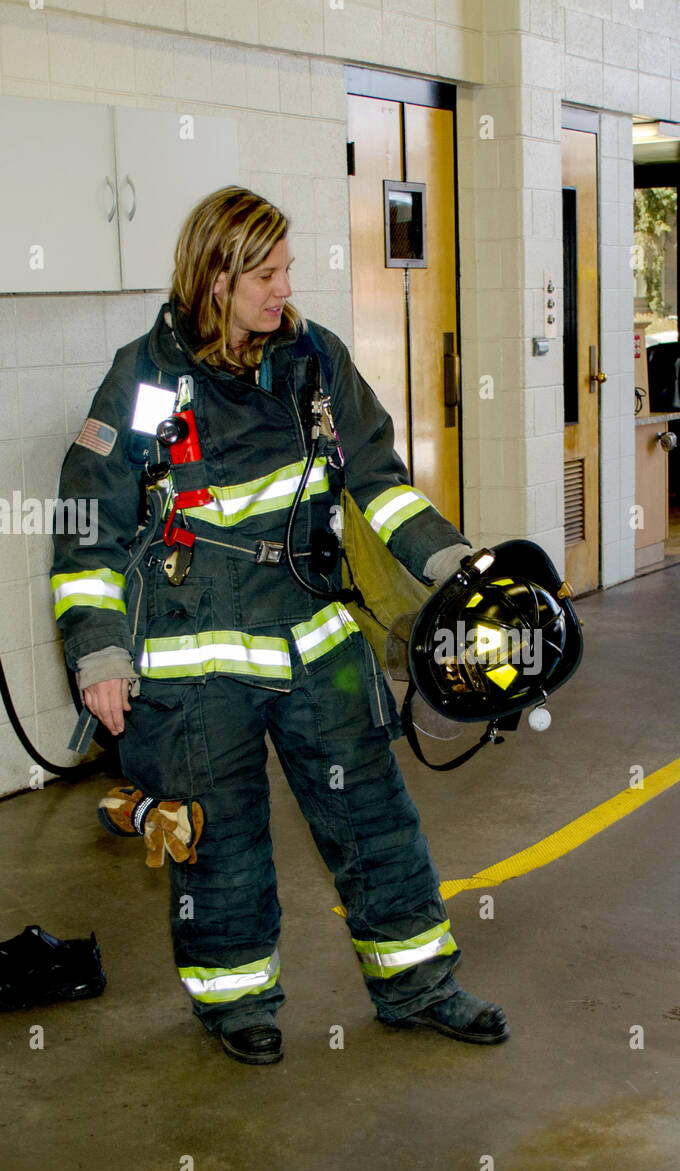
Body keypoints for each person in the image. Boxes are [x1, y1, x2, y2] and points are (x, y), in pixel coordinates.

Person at [51, 185, 508, 1064]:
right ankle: (235, 1001)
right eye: (264, 272)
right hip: (196, 653)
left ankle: (417, 982)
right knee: (217, 840)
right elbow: (91, 525)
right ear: (214, 277)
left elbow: (378, 480)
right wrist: (99, 651)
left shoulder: (314, 360)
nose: (282, 288)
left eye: (287, 268)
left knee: (374, 818)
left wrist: (458, 565)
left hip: (316, 638)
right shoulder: (147, 381)